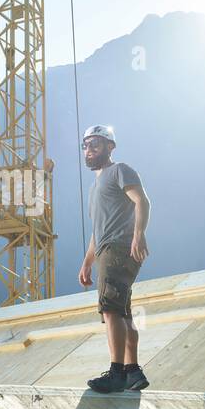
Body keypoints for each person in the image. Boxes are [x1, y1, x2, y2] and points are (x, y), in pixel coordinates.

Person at [78, 124, 151, 392]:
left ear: (110, 146)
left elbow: (142, 201)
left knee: (109, 309)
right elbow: (98, 232)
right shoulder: (94, 188)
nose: (89, 149)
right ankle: (132, 371)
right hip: (107, 249)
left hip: (119, 249)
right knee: (122, 313)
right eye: (85, 145)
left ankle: (116, 373)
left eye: (95, 144)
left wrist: (138, 234)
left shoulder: (119, 170)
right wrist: (87, 262)